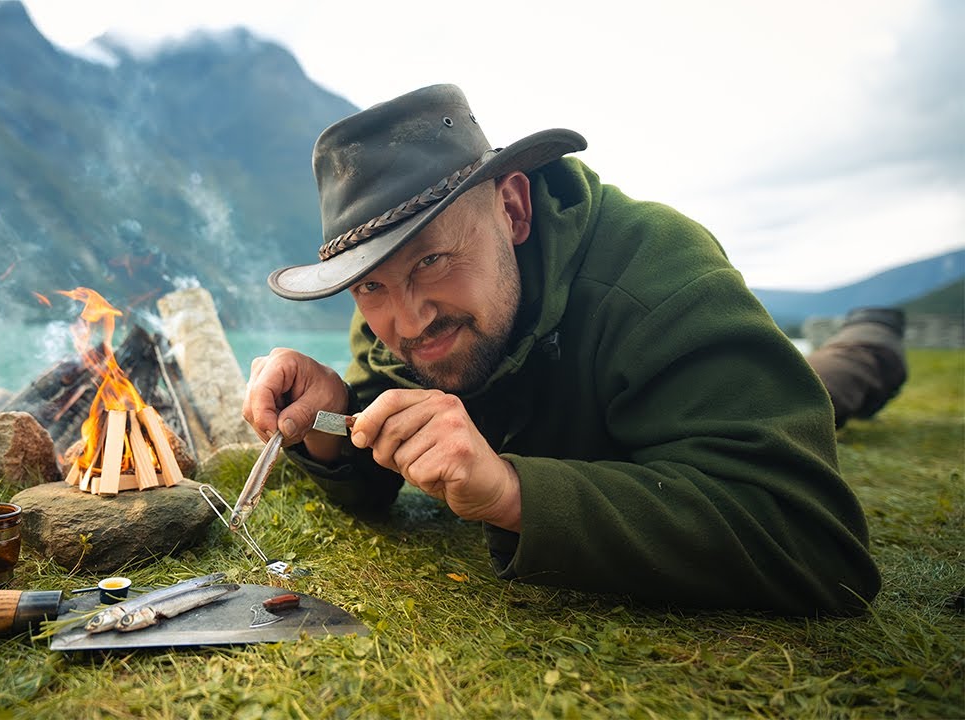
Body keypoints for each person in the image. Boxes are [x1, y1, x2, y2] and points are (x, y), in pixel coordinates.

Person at [242, 84, 880, 615]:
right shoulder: (400, 318)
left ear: (513, 209)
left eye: (434, 258)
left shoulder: (658, 279)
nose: (408, 321)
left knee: (829, 383)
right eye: (370, 285)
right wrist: (329, 426)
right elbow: (387, 458)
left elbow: (816, 545)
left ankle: (873, 336)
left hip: (682, 403)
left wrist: (514, 494)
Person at [806, 307, 909, 429]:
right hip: (820, 400)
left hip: (802, 383)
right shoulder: (889, 355)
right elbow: (875, 402)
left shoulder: (834, 345)